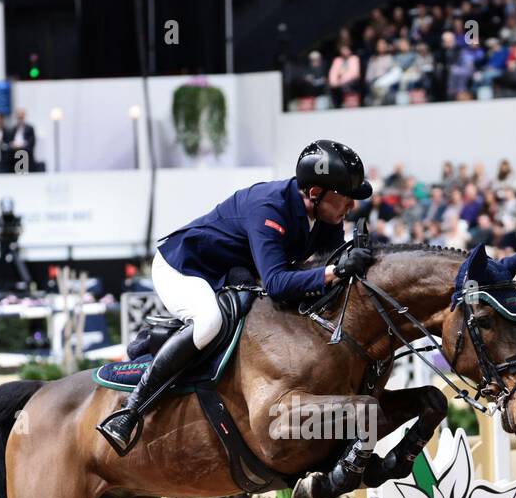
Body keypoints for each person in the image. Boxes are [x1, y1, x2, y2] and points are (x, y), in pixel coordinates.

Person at [96, 139, 374, 454]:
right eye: (345, 198)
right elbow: (278, 283)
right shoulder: (270, 207)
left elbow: (325, 262)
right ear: (314, 193)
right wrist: (335, 272)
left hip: (229, 272)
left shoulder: (325, 219)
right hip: (185, 267)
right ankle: (130, 411)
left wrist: (356, 256)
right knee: (209, 322)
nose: (352, 206)